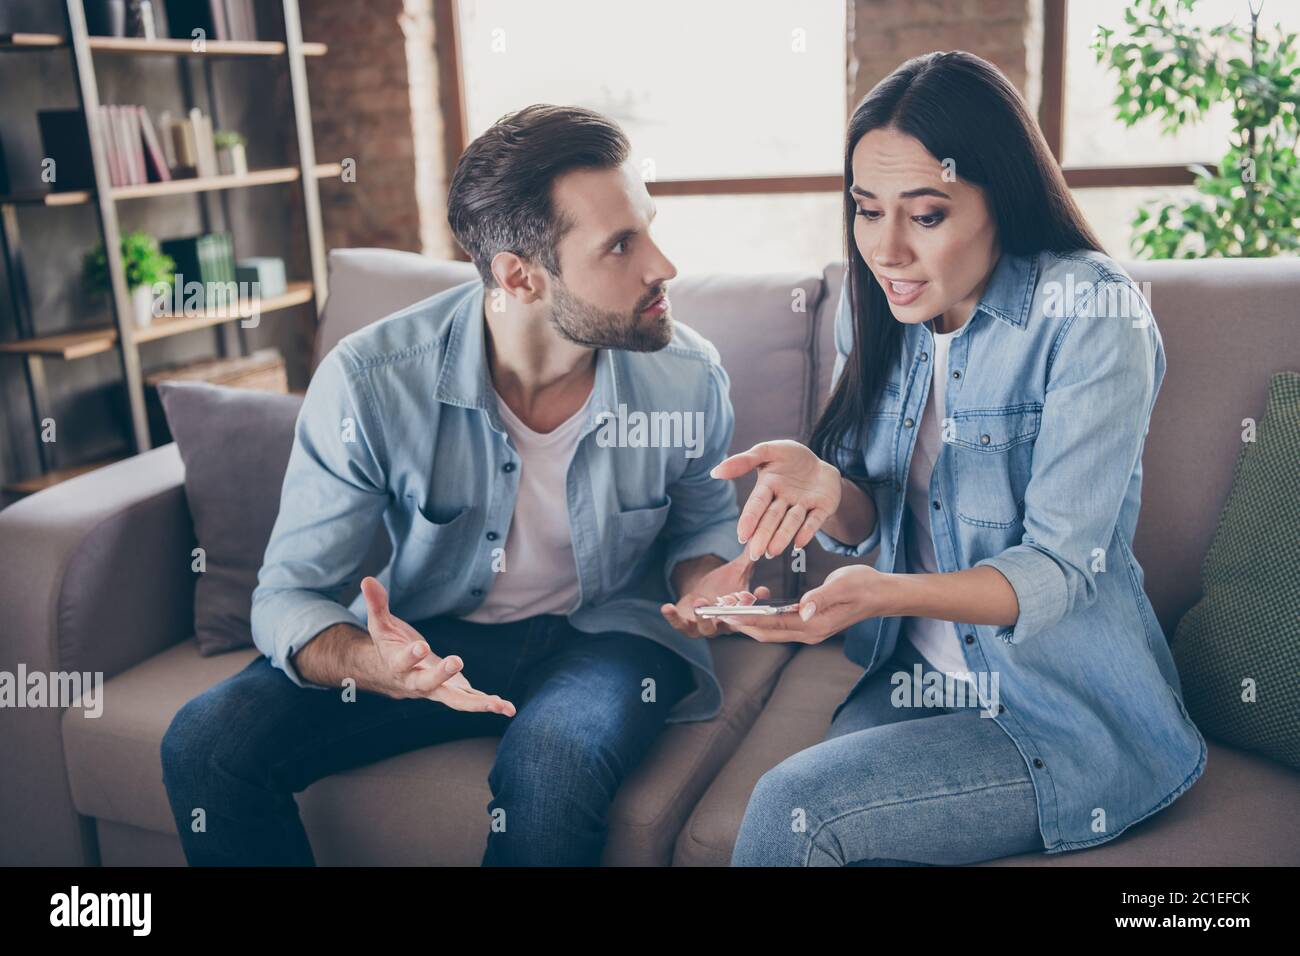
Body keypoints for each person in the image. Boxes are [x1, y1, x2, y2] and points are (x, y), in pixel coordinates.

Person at [161, 104, 762, 866]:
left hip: (606, 633)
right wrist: (369, 662)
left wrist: (709, 583)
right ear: (520, 275)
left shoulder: (687, 375)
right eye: (621, 245)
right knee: (206, 743)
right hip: (433, 632)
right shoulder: (372, 383)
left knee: (554, 767)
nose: (662, 265)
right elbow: (288, 596)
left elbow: (701, 527)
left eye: (647, 226)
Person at [709, 51, 1207, 866]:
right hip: (917, 684)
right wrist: (830, 489)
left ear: (1001, 198)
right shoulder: (875, 309)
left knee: (793, 810)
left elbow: (1060, 567)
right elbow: (874, 514)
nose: (887, 249)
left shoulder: (1089, 312)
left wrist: (881, 594)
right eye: (867, 211)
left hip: (1057, 715)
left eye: (927, 215)